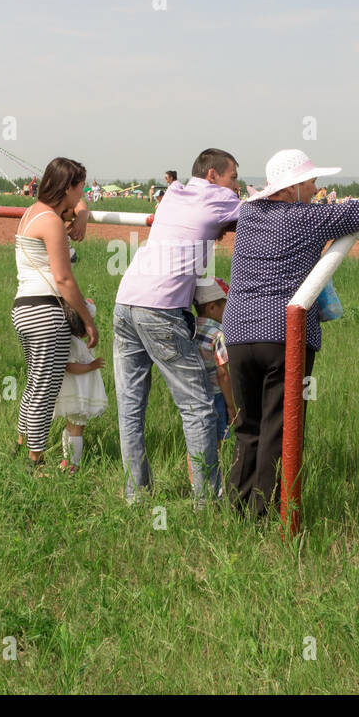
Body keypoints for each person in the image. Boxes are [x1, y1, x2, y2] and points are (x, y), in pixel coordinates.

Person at [223, 149, 359, 519]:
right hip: (283, 335)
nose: (315, 188)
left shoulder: (248, 215)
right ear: (292, 187)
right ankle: (266, 514)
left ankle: (237, 508)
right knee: (280, 427)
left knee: (248, 426)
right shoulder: (307, 218)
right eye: (310, 182)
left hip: (239, 331)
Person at [114, 148, 240, 505]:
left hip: (126, 300)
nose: (237, 187)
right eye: (233, 178)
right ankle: (207, 502)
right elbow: (262, 213)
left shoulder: (174, 192)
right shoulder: (218, 199)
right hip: (161, 308)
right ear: (213, 176)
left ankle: (135, 495)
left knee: (131, 405)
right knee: (198, 406)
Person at [13, 157, 95, 470]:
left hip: (25, 308)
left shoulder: (33, 213)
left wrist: (83, 214)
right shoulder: (50, 221)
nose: (83, 192)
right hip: (47, 312)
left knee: (35, 384)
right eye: (80, 186)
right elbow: (63, 279)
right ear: (67, 187)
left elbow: (79, 205)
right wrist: (87, 320)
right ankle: (36, 461)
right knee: (45, 392)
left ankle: (21, 445)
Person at [52, 298, 109, 474]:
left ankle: (66, 460)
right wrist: (91, 366)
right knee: (76, 429)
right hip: (78, 394)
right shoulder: (74, 343)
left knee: (71, 427)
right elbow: (69, 366)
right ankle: (73, 464)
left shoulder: (71, 340)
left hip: (75, 393)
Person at [194, 277, 235, 446]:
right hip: (216, 396)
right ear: (212, 307)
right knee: (216, 443)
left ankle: (195, 472)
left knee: (197, 438)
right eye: (225, 305)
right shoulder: (218, 334)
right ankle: (213, 472)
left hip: (195, 392)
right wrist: (231, 406)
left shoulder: (191, 328)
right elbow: (223, 373)